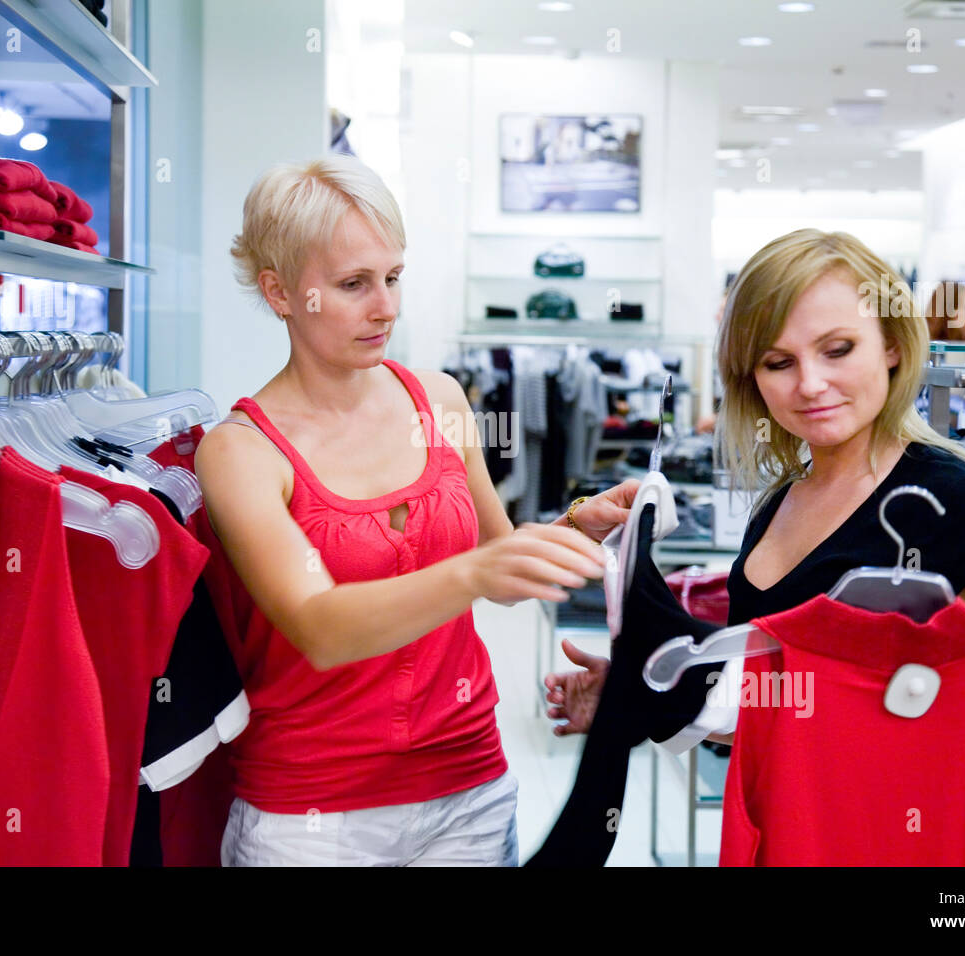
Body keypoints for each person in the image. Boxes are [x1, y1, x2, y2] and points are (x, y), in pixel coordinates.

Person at [194, 155, 642, 866]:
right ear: (280, 293)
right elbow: (320, 628)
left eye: (393, 277)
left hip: (468, 787)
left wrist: (569, 527)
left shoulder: (439, 401)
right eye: (353, 285)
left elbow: (494, 550)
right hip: (312, 817)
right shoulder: (240, 453)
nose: (386, 308)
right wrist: (474, 574)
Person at [546, 228, 965, 776]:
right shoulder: (783, 498)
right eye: (778, 362)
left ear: (892, 344)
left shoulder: (950, 503)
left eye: (837, 350)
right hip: (777, 828)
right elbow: (779, 710)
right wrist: (639, 700)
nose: (810, 384)